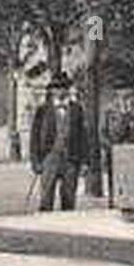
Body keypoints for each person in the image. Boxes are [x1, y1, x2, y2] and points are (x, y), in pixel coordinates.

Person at [29, 72, 89, 210]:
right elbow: (34, 137)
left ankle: (66, 227)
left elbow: (83, 137)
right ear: (51, 90)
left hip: (71, 159)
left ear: (68, 89)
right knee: (46, 198)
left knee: (69, 199)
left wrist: (85, 162)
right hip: (49, 158)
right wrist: (36, 162)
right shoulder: (43, 110)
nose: (60, 91)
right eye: (56, 87)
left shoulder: (77, 109)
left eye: (63, 87)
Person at [101, 83, 134, 207]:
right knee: (115, 181)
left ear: (132, 91)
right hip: (114, 152)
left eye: (126, 90)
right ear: (116, 93)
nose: (123, 93)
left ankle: (133, 205)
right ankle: (114, 203)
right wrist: (111, 147)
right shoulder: (108, 109)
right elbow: (102, 133)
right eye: (120, 90)